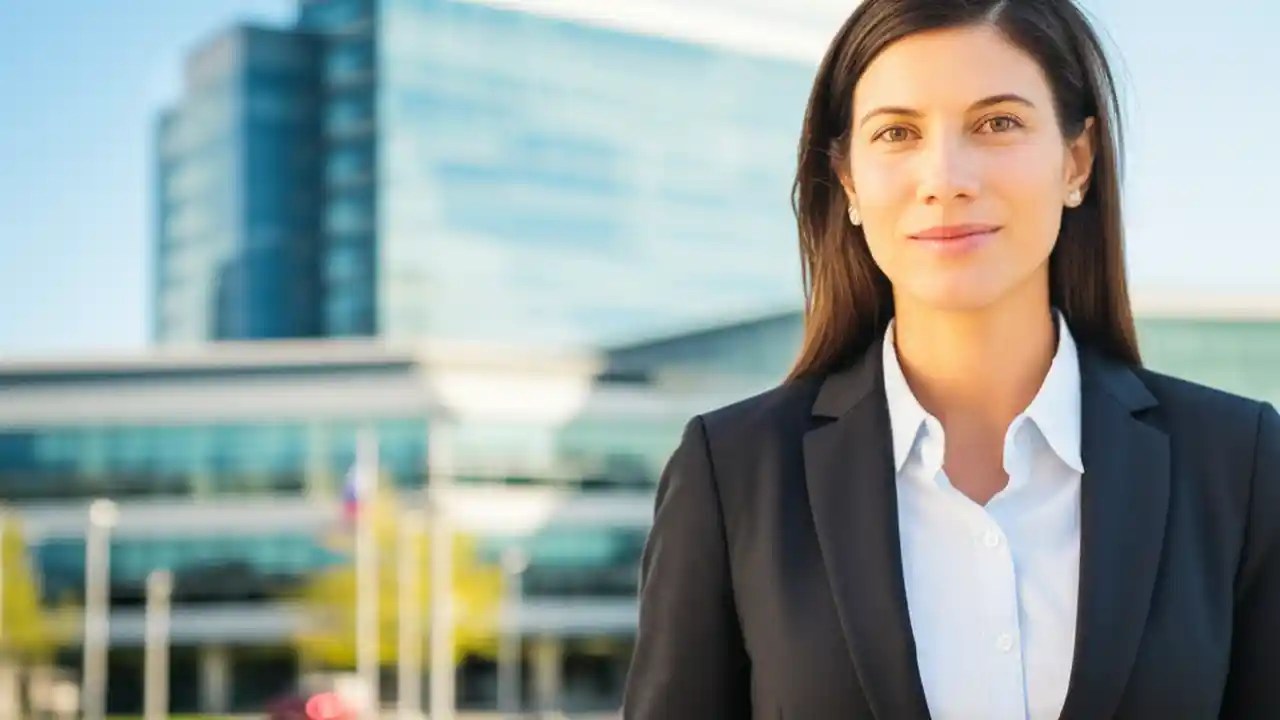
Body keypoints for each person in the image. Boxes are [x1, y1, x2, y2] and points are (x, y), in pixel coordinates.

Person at [621, 0, 1280, 718]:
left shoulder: (1238, 466)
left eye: (997, 123)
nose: (945, 177)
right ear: (848, 181)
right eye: (897, 133)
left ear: (1077, 161)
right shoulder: (733, 475)